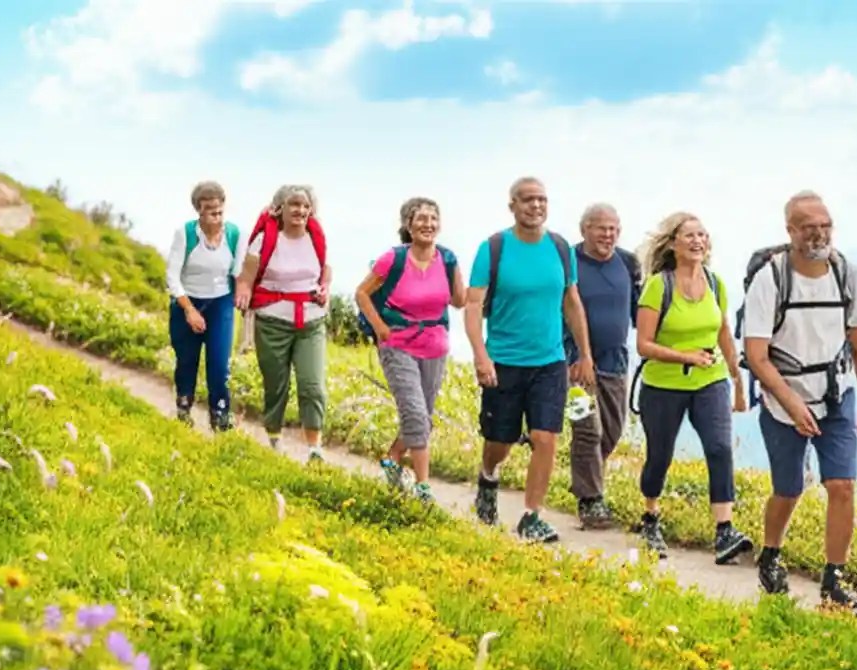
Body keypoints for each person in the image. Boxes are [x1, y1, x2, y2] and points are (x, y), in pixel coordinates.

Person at [742, 190, 857, 609]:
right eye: (809, 227)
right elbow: (756, 355)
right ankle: (771, 554)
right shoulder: (771, 279)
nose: (819, 234)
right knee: (789, 488)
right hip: (785, 400)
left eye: (826, 226)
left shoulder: (847, 274)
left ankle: (833, 581)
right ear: (791, 231)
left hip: (837, 395)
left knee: (842, 486)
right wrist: (792, 403)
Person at [464, 176, 595, 543]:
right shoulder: (493, 248)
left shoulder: (559, 247)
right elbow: (473, 305)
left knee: (546, 437)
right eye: (527, 200)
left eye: (541, 200)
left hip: (549, 361)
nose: (535, 206)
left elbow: (571, 301)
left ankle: (531, 516)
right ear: (513, 206)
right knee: (499, 441)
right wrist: (480, 355)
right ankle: (488, 477)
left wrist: (584, 353)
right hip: (504, 360)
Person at [631, 211, 752, 564]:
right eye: (689, 236)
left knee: (719, 448)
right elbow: (644, 344)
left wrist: (737, 380)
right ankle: (651, 517)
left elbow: (723, 332)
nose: (698, 241)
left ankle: (724, 531)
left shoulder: (716, 284)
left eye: (703, 235)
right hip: (663, 385)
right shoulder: (658, 286)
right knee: (660, 456)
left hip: (710, 382)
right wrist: (683, 355)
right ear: (673, 244)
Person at [354, 196, 465, 502]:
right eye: (421, 218)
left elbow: (459, 301)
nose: (428, 224)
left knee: (422, 417)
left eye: (433, 218)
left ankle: (392, 458)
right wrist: (380, 328)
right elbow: (362, 293)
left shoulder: (447, 258)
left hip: (435, 346)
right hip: (398, 345)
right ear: (407, 225)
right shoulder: (393, 258)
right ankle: (423, 487)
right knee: (415, 413)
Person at [234, 184, 332, 463]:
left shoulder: (316, 236)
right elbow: (247, 276)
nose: (300, 210)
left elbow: (326, 269)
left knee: (312, 385)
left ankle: (314, 449)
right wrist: (243, 290)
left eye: (305, 205)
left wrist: (324, 287)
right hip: (272, 321)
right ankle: (274, 437)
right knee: (276, 385)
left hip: (311, 321)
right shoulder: (265, 239)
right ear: (280, 208)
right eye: (294, 204)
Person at [564, 202, 642, 529]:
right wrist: (576, 357)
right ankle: (591, 500)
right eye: (600, 228)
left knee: (611, 432)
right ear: (585, 230)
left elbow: (639, 311)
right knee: (587, 430)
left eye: (613, 228)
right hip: (572, 363)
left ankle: (585, 479)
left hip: (615, 362)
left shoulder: (627, 262)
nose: (607, 235)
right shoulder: (568, 260)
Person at [164, 181, 246, 431]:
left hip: (220, 302)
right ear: (199, 211)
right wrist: (189, 310)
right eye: (211, 212)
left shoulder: (234, 234)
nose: (217, 217)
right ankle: (184, 408)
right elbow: (172, 277)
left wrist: (243, 291)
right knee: (187, 361)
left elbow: (239, 271)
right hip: (187, 301)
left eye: (220, 211)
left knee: (219, 364)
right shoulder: (185, 234)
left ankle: (220, 416)